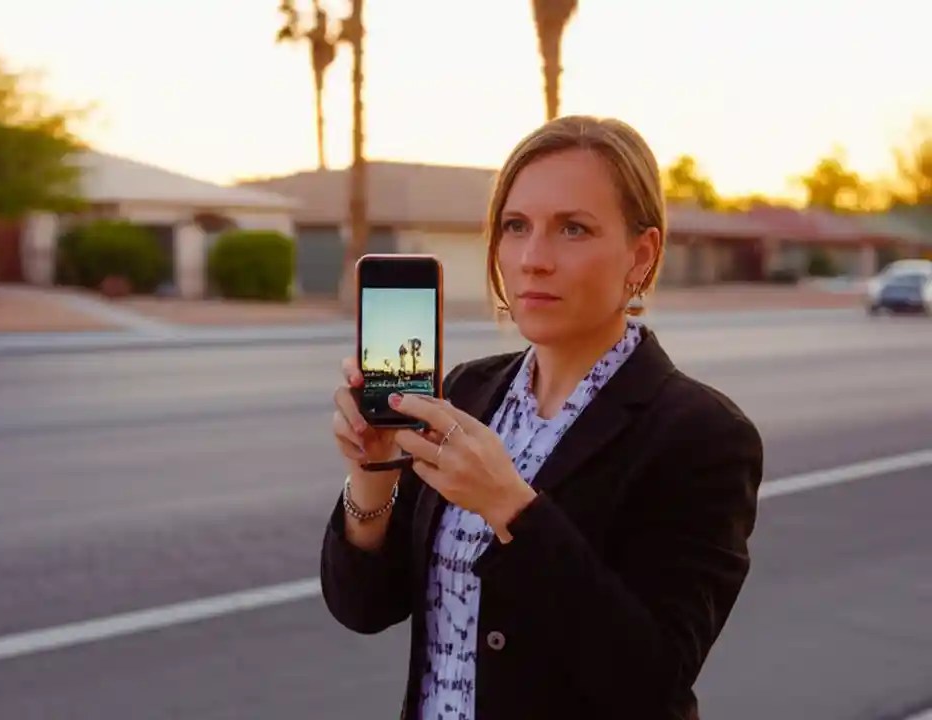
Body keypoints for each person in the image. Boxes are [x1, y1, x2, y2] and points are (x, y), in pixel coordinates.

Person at [321, 115, 763, 720]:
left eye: (573, 229)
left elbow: (652, 680)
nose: (533, 258)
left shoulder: (701, 435)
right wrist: (373, 475)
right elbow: (364, 608)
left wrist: (512, 508)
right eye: (515, 226)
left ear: (642, 254)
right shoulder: (468, 392)